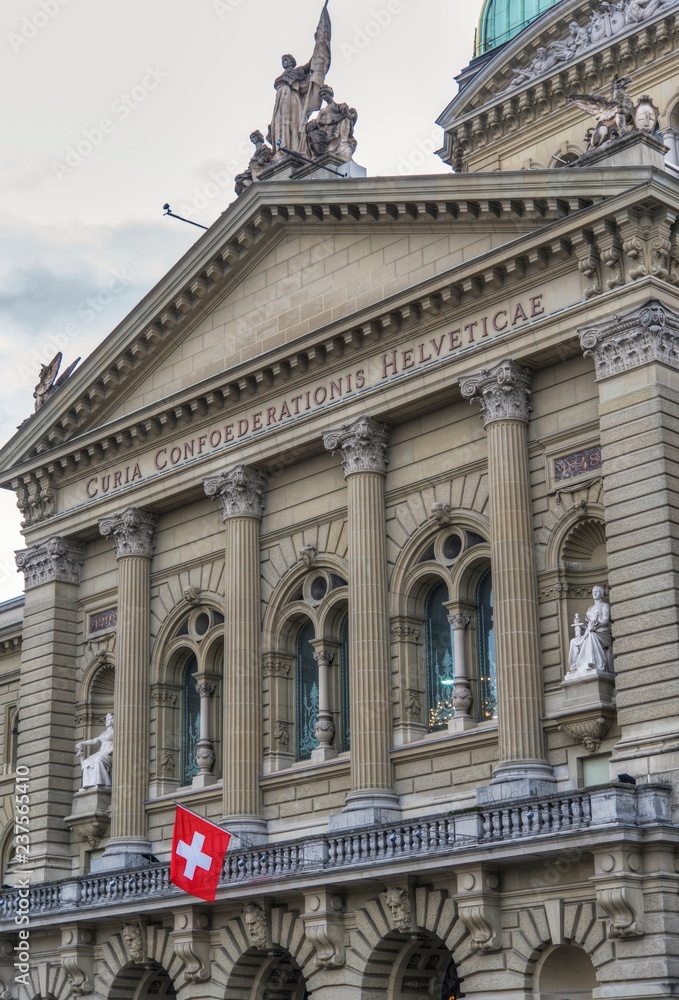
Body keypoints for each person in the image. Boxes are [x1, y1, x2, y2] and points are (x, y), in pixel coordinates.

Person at [568, 587, 614, 675]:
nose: (595, 593)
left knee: (591, 635)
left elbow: (605, 620)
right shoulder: (590, 609)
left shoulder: (604, 605)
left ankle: (592, 664)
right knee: (573, 641)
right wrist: (580, 625)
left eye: (597, 591)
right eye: (593, 591)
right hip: (590, 632)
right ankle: (575, 668)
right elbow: (588, 627)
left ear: (601, 594)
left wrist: (596, 628)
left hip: (602, 634)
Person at [76, 713, 114, 788]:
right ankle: (89, 785)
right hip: (101, 752)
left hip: (109, 753)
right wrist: (82, 743)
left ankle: (103, 783)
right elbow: (93, 741)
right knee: (86, 761)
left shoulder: (115, 731)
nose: (107, 721)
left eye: (109, 719)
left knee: (98, 760)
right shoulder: (103, 733)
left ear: (113, 720)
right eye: (106, 719)